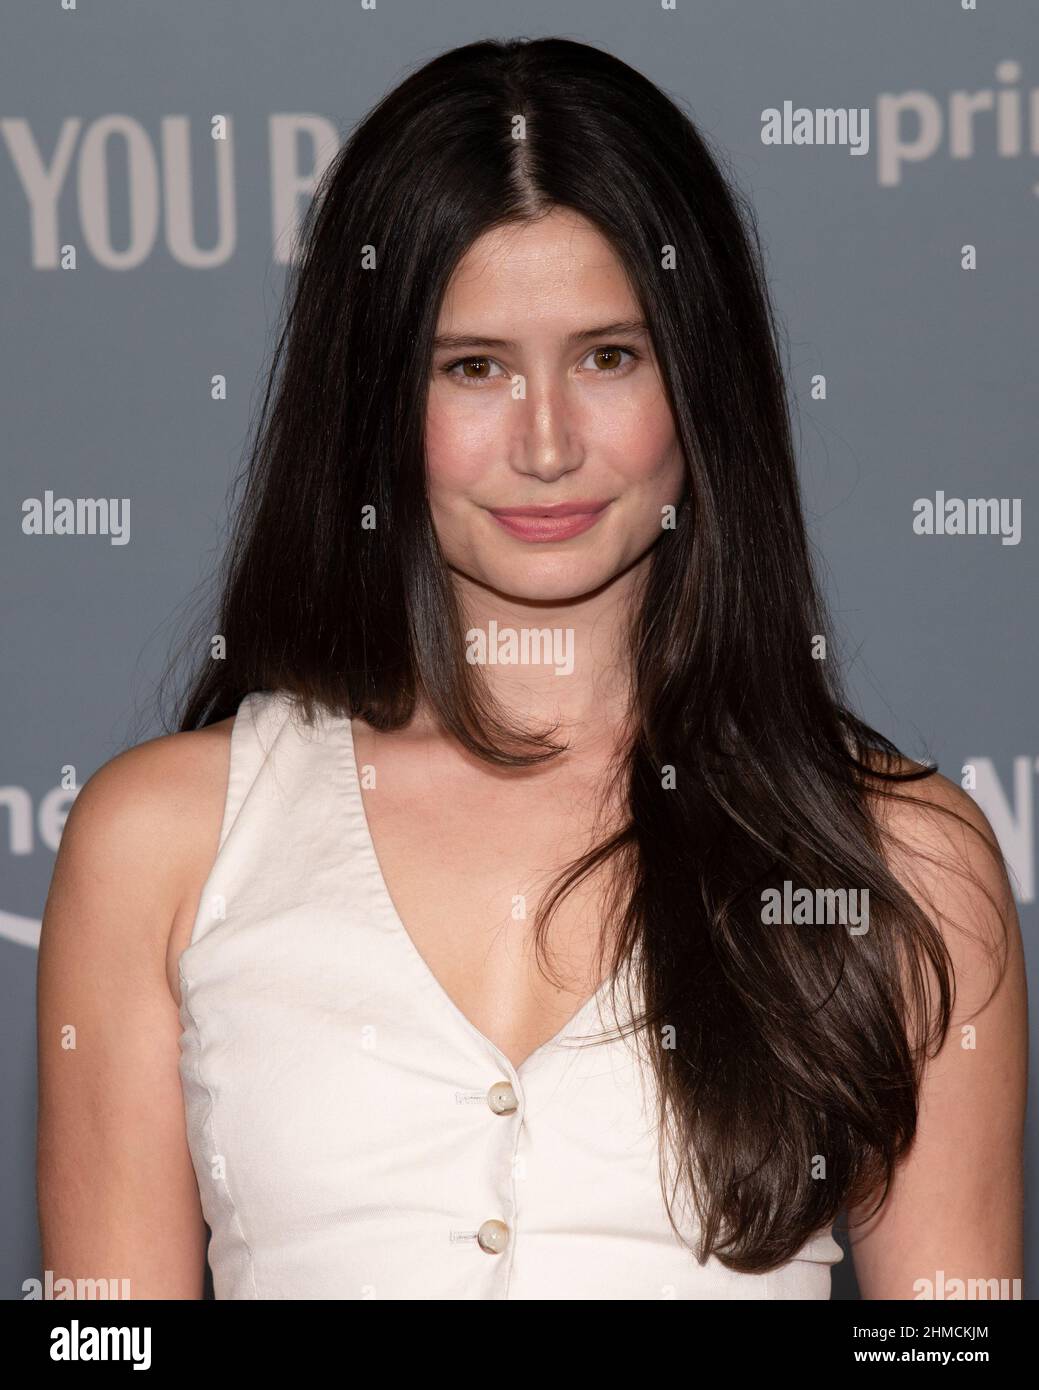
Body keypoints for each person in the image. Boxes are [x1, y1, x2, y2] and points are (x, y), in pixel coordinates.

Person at [36, 36, 1025, 1300]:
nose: (548, 443)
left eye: (609, 357)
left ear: (701, 383)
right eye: (474, 368)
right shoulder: (164, 840)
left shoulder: (899, 861)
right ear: (374, 404)